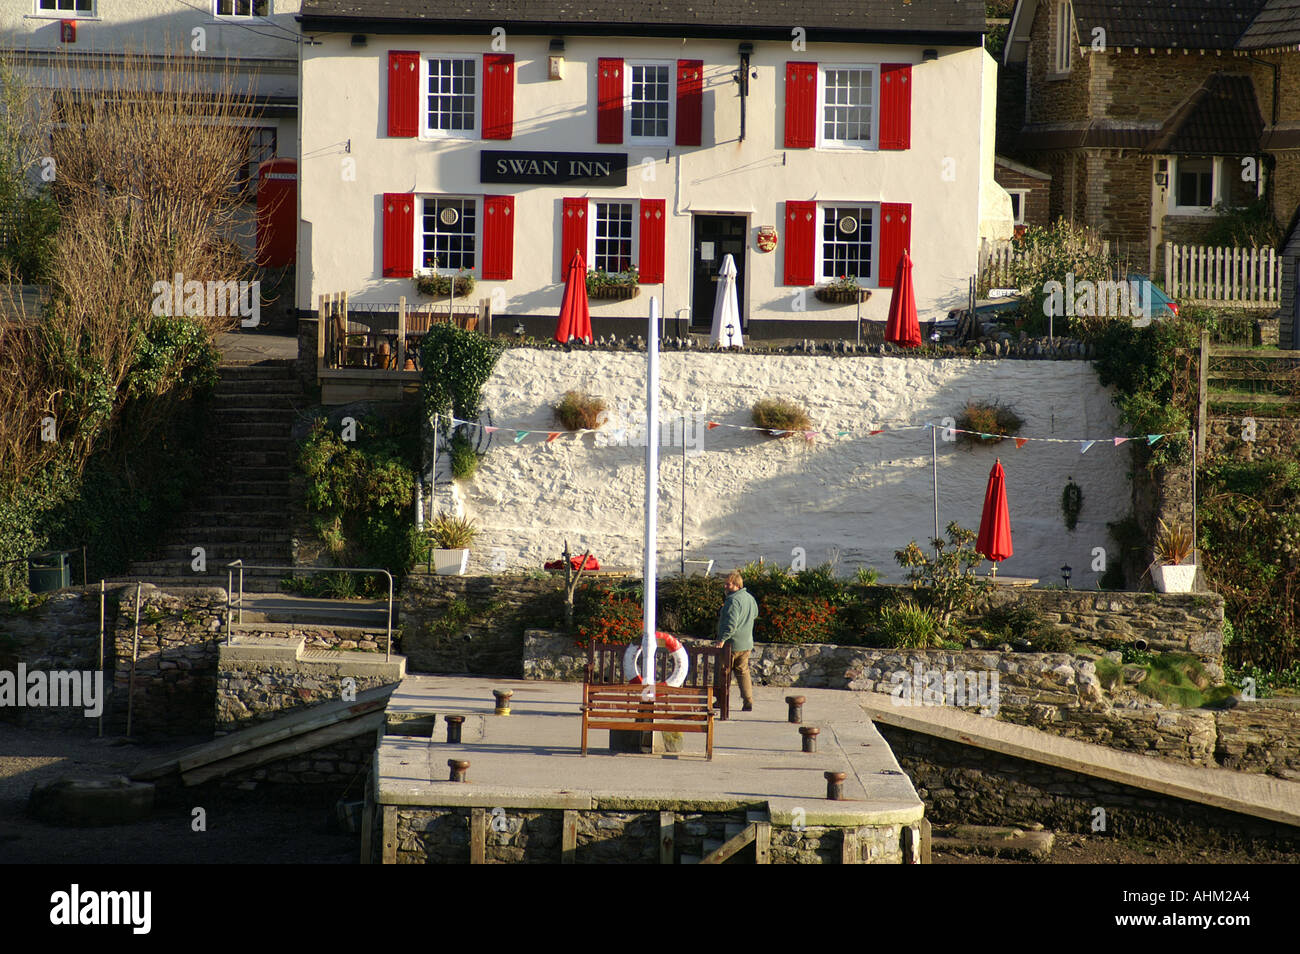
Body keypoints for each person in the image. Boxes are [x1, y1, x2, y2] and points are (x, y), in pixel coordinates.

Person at [715, 571, 758, 712]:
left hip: (731, 645)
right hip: (746, 643)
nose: (725, 587)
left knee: (723, 672)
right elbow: (755, 614)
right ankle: (748, 701)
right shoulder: (749, 598)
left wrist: (722, 639)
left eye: (729, 584)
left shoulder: (733, 601)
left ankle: (721, 701)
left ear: (737, 585)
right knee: (743, 672)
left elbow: (730, 624)